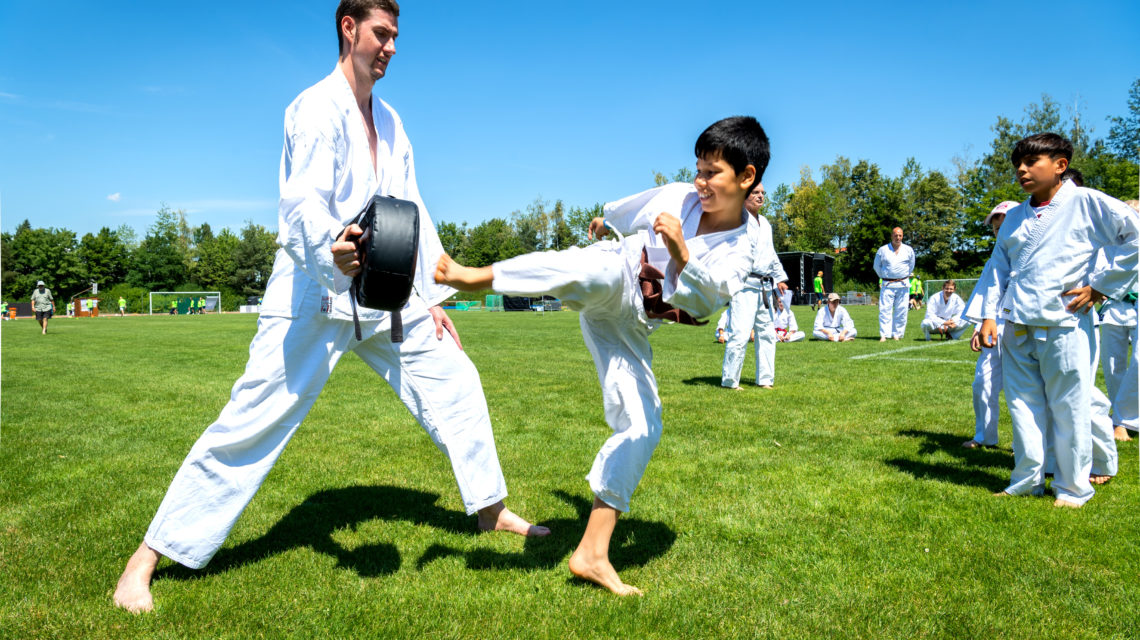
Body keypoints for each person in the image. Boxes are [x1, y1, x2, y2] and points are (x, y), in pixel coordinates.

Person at [113, 0, 548, 614]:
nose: (390, 46)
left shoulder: (393, 122)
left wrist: (431, 295)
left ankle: (491, 510)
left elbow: (410, 210)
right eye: (381, 33)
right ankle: (147, 558)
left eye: (396, 36)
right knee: (251, 419)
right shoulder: (315, 108)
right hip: (312, 294)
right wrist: (332, 249)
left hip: (383, 296)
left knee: (457, 380)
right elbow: (300, 207)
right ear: (349, 30)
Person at [435, 115, 768, 595]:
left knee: (643, 426)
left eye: (712, 172)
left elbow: (704, 302)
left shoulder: (742, 247)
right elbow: (623, 210)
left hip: (631, 323)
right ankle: (472, 275)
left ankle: (591, 552)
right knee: (587, 268)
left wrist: (680, 251)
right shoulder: (678, 195)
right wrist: (605, 221)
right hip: (619, 271)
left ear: (747, 177)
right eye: (698, 169)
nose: (700, 182)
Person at [977, 133, 1137, 508]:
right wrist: (988, 315)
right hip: (1017, 321)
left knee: (1070, 407)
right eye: (1018, 163)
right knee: (1022, 405)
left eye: (1032, 162)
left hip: (1064, 320)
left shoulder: (1086, 201)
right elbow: (998, 267)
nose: (1022, 169)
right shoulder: (1015, 214)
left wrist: (1100, 286)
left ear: (1060, 165)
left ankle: (1072, 488)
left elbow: (1135, 237)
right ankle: (1027, 479)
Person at [960, 201, 1018, 448]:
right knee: (982, 382)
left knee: (1024, 391)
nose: (1000, 232)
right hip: (992, 327)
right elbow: (985, 293)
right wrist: (977, 326)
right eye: (996, 229)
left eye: (1004, 226)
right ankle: (985, 437)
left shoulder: (1028, 254)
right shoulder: (994, 260)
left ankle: (1029, 447)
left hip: (1022, 326)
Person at [721, 183, 788, 390]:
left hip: (764, 286)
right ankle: (730, 381)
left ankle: (765, 379)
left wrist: (780, 278)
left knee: (767, 334)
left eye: (762, 193)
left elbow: (771, 253)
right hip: (744, 284)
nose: (760, 196)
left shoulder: (766, 223)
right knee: (740, 333)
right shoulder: (736, 219)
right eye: (756, 193)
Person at [1099, 292, 1137, 441]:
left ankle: (1122, 419)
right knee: (1112, 366)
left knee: (1138, 363)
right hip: (1113, 305)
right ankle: (1119, 422)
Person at [873, 227, 915, 341]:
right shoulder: (883, 250)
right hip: (887, 284)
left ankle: (897, 334)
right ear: (892, 236)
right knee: (885, 310)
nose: (898, 237)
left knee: (901, 310)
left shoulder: (908, 250)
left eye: (900, 235)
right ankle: (884, 334)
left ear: (902, 236)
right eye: (896, 235)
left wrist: (903, 275)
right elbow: (876, 266)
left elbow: (911, 266)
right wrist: (885, 276)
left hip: (903, 283)